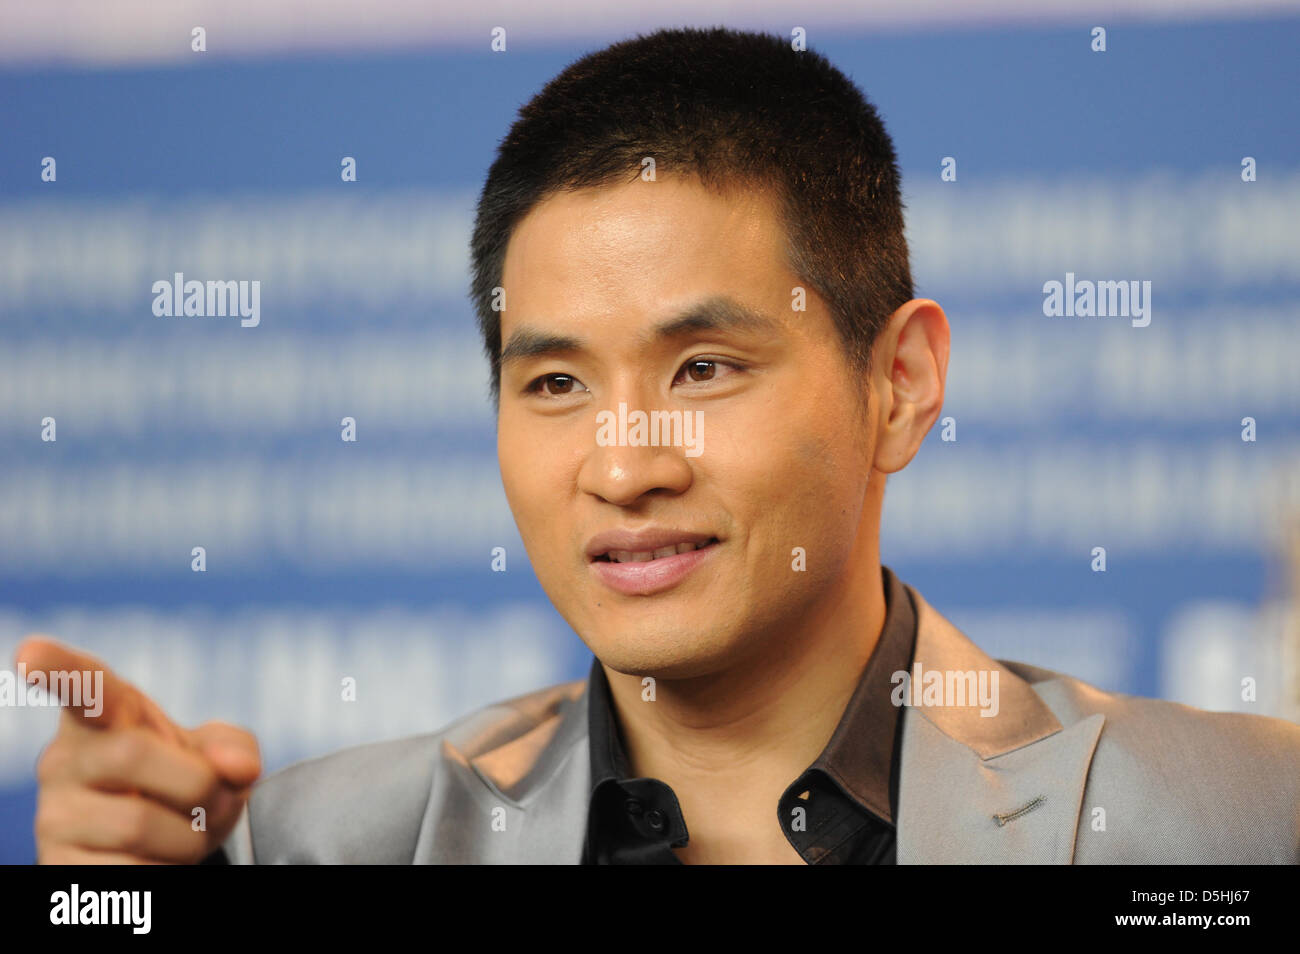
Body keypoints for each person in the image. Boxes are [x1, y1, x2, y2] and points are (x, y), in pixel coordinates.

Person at [18, 26, 1299, 865]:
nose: (623, 467)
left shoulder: (1224, 828)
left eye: (701, 368)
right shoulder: (317, 844)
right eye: (557, 381)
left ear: (897, 384)